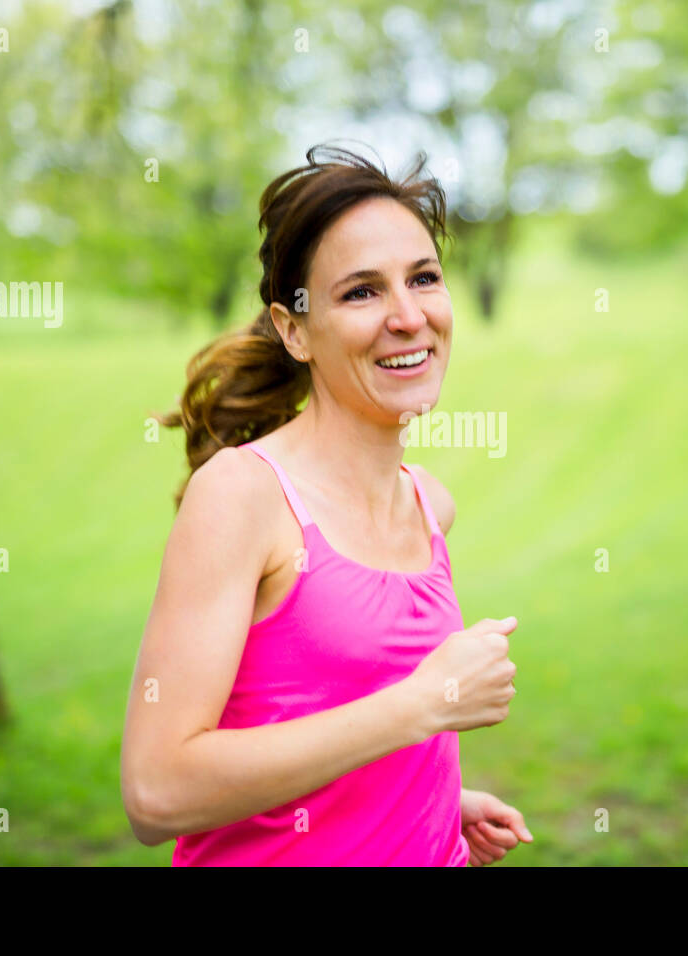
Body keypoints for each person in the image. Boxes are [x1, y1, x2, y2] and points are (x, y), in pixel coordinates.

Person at [120, 144, 533, 865]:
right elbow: (158, 792)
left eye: (423, 278)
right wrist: (423, 706)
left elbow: (324, 718)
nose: (408, 317)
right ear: (294, 329)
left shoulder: (428, 504)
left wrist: (424, 794)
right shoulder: (244, 496)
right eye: (361, 292)